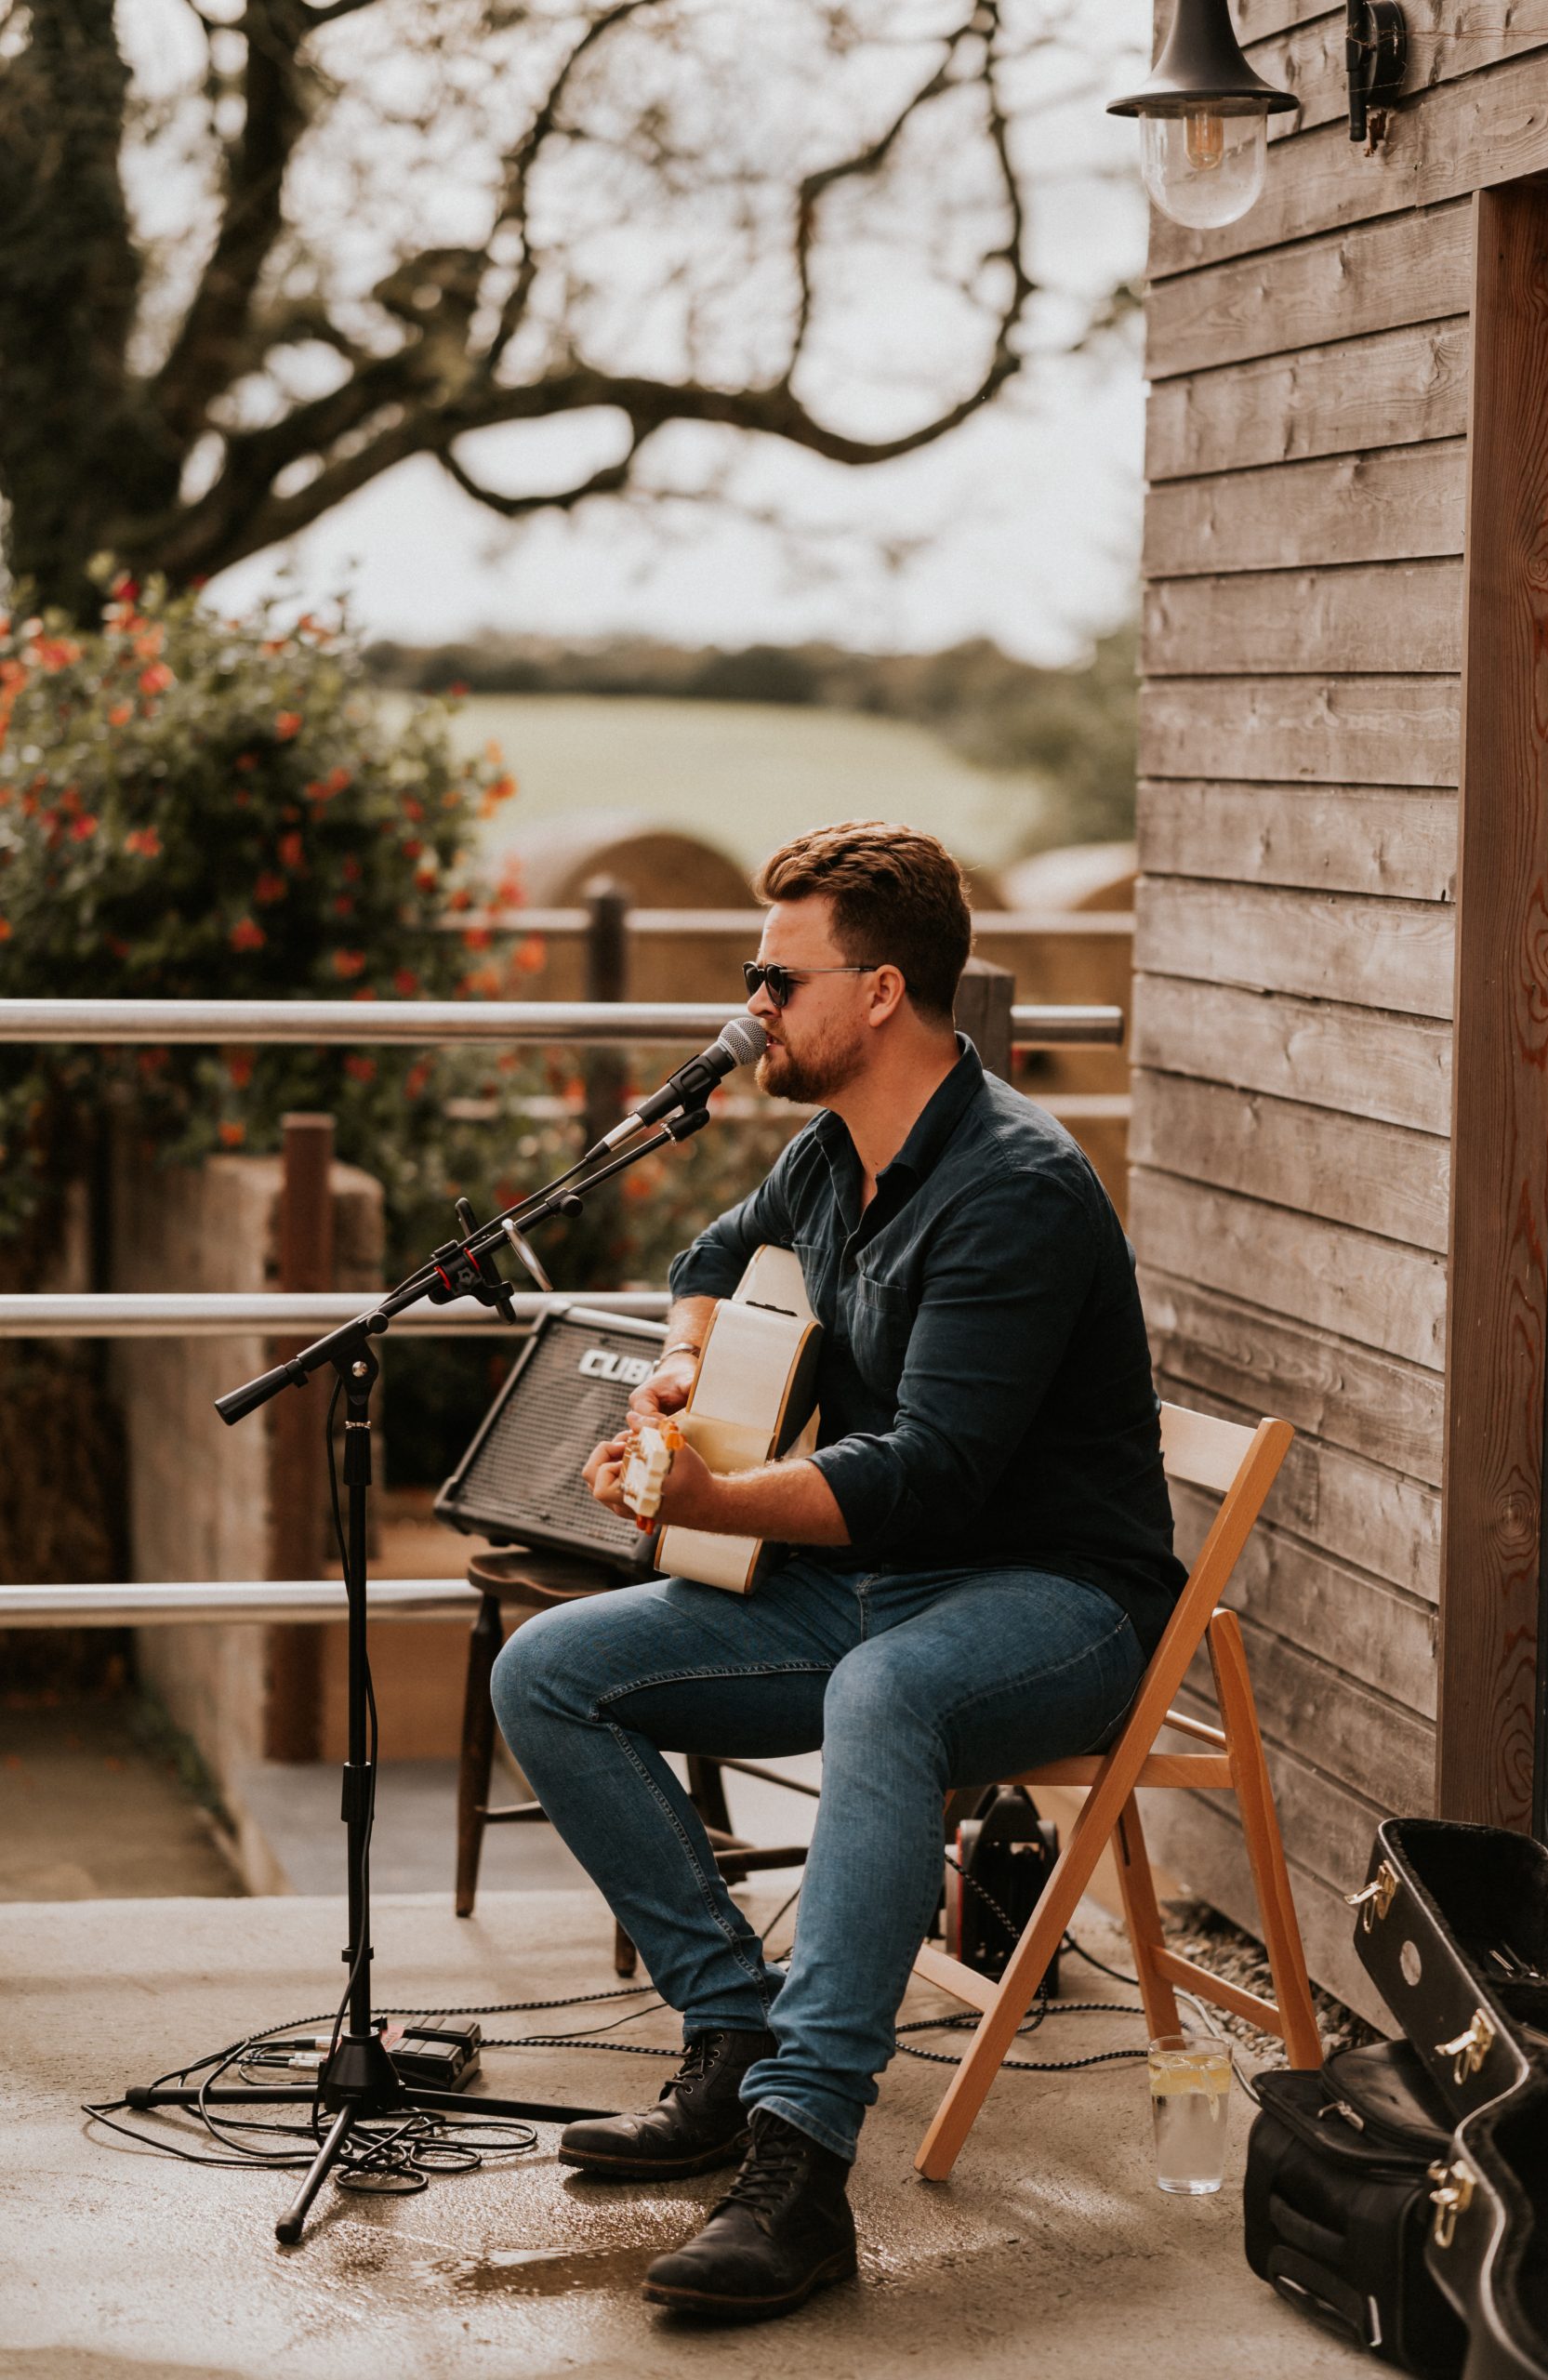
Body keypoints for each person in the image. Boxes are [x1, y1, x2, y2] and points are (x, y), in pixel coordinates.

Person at [490, 819, 1185, 2322]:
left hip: (1051, 1601)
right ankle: (734, 2043)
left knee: (882, 1693)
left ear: (878, 993)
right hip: (878, 1587)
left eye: (775, 977)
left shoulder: (1016, 1184)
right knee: (548, 1669)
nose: (751, 1009)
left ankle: (801, 2168)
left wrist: (716, 1500)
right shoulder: (829, 1156)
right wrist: (678, 1388)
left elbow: (932, 1471)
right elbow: (701, 1263)